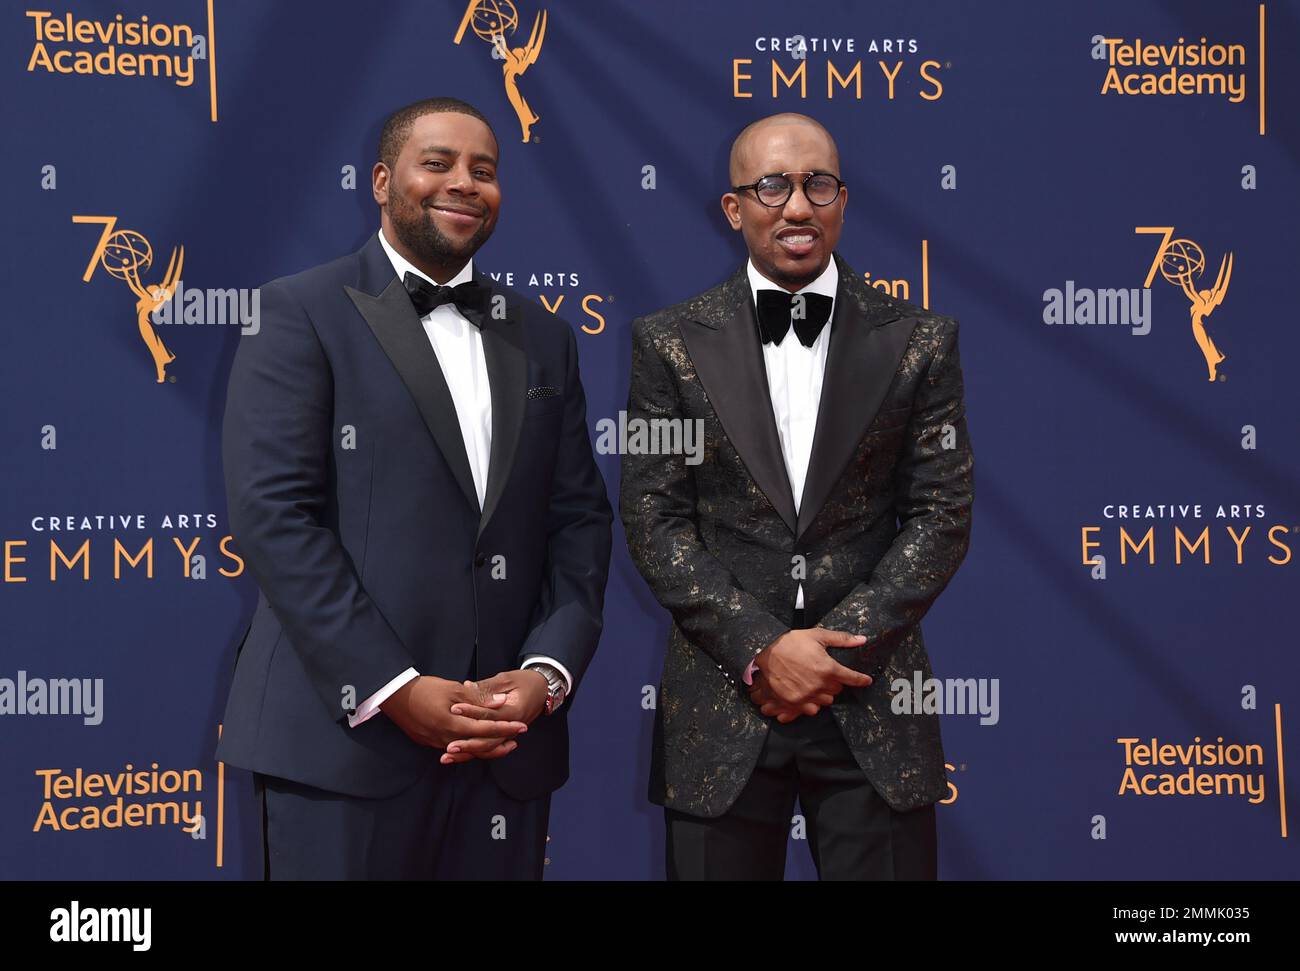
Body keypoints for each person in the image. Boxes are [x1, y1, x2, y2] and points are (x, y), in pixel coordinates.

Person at [215, 96, 612, 880]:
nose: (465, 183)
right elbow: (275, 517)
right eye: (439, 163)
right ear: (382, 180)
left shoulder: (544, 336)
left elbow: (578, 519)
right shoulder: (298, 311)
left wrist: (545, 674)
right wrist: (395, 687)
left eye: (485, 170)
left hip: (504, 751)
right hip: (344, 746)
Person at [620, 112, 974, 880]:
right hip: (721, 701)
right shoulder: (668, 343)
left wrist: (829, 653)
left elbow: (941, 515)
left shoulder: (921, 339)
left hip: (872, 701)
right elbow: (655, 519)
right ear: (734, 207)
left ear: (843, 200)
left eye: (818, 184)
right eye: (772, 186)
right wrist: (764, 649)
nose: (797, 206)